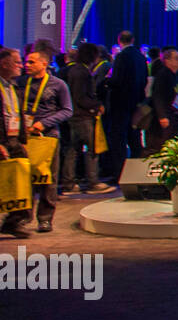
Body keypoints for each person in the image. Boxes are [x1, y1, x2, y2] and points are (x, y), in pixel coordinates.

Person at [16, 43, 72, 233]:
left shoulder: (58, 85)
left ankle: (45, 218)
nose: (26, 64)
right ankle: (23, 217)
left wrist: (45, 123)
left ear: (44, 63)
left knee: (47, 179)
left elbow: (67, 111)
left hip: (47, 136)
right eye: (25, 62)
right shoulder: (21, 82)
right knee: (23, 179)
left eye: (31, 62)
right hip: (23, 137)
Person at [60, 43, 110, 194]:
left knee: (72, 150)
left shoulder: (72, 70)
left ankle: (69, 184)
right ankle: (93, 182)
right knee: (92, 149)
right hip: (83, 116)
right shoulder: (82, 72)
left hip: (73, 116)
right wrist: (97, 105)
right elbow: (81, 97)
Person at [104, 30, 147, 181]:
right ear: (133, 40)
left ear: (119, 40)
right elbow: (144, 80)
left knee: (118, 140)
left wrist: (105, 81)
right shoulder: (141, 57)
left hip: (120, 104)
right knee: (135, 140)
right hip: (136, 103)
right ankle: (136, 173)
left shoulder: (122, 57)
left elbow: (117, 80)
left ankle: (120, 174)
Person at [0, 48, 31, 238]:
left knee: (21, 181)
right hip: (2, 141)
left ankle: (14, 221)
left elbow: (17, 114)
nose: (21, 66)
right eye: (17, 62)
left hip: (14, 140)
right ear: (4, 63)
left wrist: (23, 141)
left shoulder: (13, 87)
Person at [146, 48, 178, 153]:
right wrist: (162, 116)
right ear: (167, 61)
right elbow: (158, 96)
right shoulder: (163, 75)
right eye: (176, 58)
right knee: (165, 146)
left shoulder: (175, 75)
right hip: (165, 117)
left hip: (174, 115)